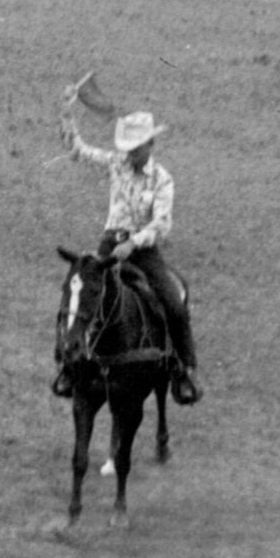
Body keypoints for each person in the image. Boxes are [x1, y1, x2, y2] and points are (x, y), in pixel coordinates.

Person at [57, 88, 203, 404]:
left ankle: (183, 370)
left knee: (173, 304)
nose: (130, 154)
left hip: (143, 251)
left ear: (151, 145)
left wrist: (134, 243)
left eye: (136, 148)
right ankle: (70, 366)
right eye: (129, 148)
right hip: (110, 244)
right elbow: (78, 151)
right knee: (80, 294)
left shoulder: (163, 180)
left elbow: (161, 224)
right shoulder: (116, 163)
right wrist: (67, 113)